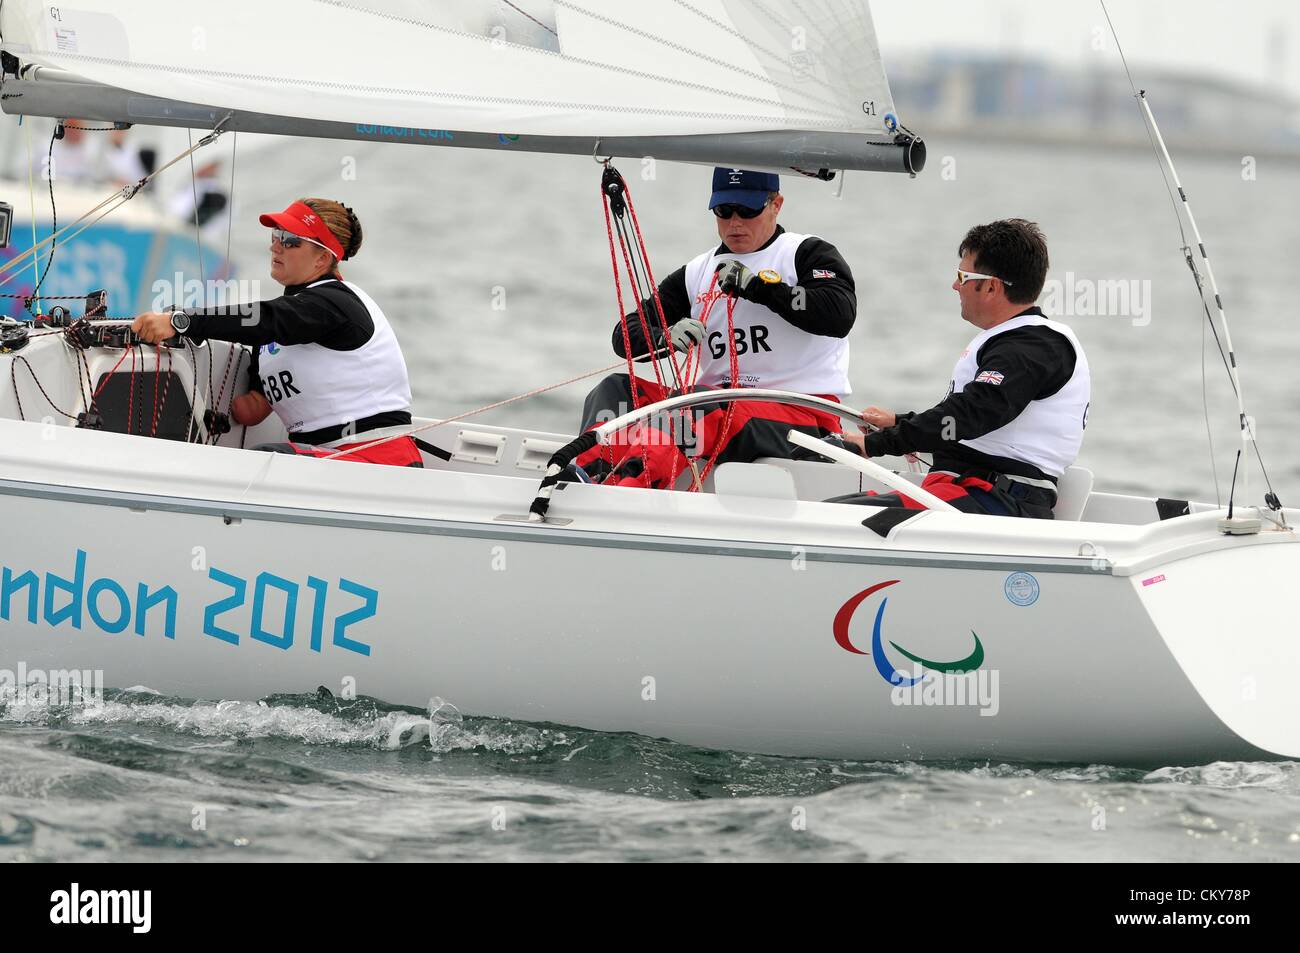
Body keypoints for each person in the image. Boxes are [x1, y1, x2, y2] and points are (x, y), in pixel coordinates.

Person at [576, 167, 857, 487]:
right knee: (617, 390)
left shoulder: (805, 254)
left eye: (748, 210)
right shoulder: (697, 271)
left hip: (801, 414)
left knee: (699, 404)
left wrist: (760, 289)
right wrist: (664, 338)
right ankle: (585, 473)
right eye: (724, 210)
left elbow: (839, 315)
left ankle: (622, 487)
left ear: (776, 204)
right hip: (713, 407)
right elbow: (624, 334)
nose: (735, 222)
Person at [131, 198, 422, 467]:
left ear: (322, 258)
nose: (275, 247)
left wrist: (182, 321)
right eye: (275, 236)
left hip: (378, 458)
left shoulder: (335, 302)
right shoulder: (287, 325)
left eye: (290, 240)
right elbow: (253, 410)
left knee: (261, 464)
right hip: (328, 460)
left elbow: (267, 318)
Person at [834, 218, 1090, 518]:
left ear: (992, 287)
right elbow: (972, 418)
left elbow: (969, 415)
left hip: (997, 501)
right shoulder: (1016, 340)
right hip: (974, 491)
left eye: (962, 276)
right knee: (834, 514)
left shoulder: (1031, 347)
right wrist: (900, 422)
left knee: (839, 519)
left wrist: (874, 444)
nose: (955, 285)